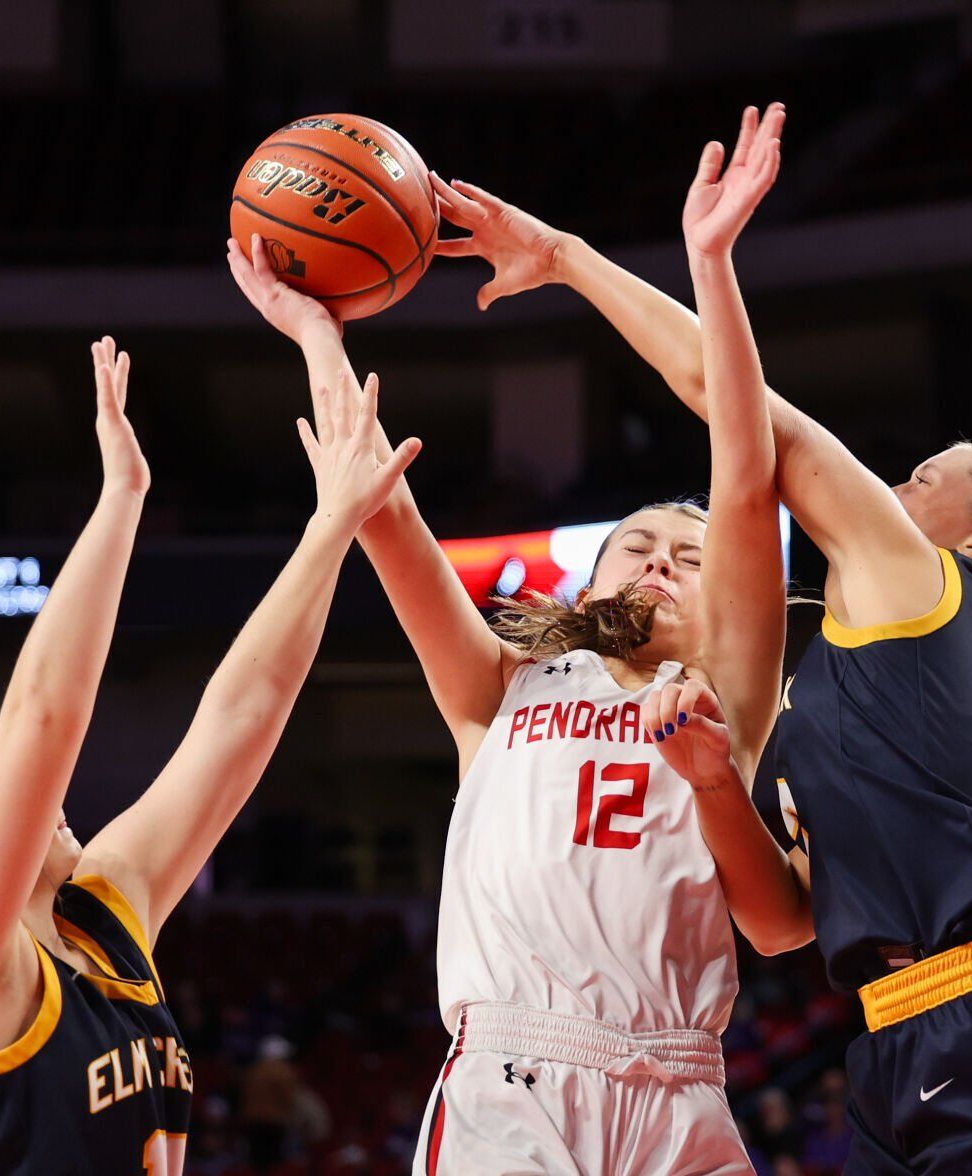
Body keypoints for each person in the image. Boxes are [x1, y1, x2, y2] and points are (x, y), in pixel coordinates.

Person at [431, 103, 972, 1170]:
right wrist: (713, 785)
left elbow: (741, 422)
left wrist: (580, 260)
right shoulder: (862, 680)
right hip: (898, 1044)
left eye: (921, 479)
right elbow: (784, 921)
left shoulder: (923, 585)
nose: (891, 489)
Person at [228, 103, 795, 1175]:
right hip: (513, 1081)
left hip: (682, 1087)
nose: (659, 561)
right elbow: (381, 512)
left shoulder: (725, 687)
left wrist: (703, 267)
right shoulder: (501, 686)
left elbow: (747, 462)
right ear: (588, 580)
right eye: (635, 546)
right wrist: (317, 337)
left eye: (688, 554)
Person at [0, 337, 420, 1173]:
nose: (47, 792)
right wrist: (120, 500)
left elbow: (241, 714)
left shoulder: (100, 920)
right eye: (2, 775)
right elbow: (42, 717)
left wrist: (330, 528)